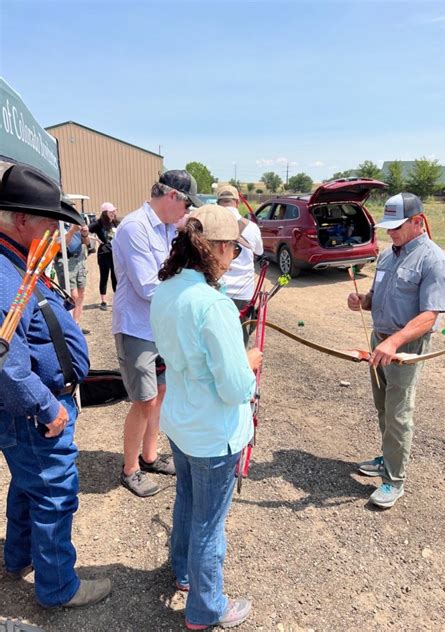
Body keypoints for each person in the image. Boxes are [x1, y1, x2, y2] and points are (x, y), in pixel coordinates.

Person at [0, 163, 111, 607]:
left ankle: (19, 557)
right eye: (51, 223)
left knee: (30, 485)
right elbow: (6, 362)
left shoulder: (15, 260)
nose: (58, 233)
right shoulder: (4, 274)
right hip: (34, 414)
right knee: (54, 496)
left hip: (31, 413)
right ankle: (58, 588)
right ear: (22, 220)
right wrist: (48, 408)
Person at [150, 204, 263, 630]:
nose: (234, 256)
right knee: (209, 524)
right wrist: (249, 363)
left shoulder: (166, 289)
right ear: (215, 248)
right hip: (213, 433)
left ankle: (183, 573)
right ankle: (206, 609)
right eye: (233, 248)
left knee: (187, 501)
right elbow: (234, 386)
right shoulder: (213, 305)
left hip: (181, 422)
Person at [347, 192, 445, 509]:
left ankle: (394, 480)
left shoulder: (434, 260)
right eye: (388, 227)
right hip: (379, 341)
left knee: (398, 412)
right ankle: (387, 458)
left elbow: (430, 315)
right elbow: (375, 296)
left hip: (404, 347)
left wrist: (394, 341)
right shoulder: (388, 255)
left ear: (418, 222)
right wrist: (362, 302)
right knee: (383, 405)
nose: (391, 232)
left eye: (397, 226)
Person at [112, 170, 202, 497]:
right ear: (172, 197)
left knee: (161, 394)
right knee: (144, 399)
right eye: (187, 204)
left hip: (158, 326)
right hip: (136, 327)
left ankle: (149, 456)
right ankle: (130, 468)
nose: (187, 212)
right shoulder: (134, 228)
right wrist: (191, 292)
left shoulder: (167, 227)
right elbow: (148, 285)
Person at [217, 185, 263, 345]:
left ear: (218, 203)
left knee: (217, 339)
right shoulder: (252, 227)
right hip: (243, 292)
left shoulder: (211, 224)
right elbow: (260, 250)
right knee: (240, 341)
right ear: (236, 202)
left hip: (216, 291)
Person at [54, 220, 91, 331]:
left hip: (79, 260)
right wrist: (72, 231)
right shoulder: (57, 225)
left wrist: (85, 234)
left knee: (81, 293)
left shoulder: (74, 224)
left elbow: (87, 243)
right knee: (72, 295)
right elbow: (60, 247)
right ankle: (68, 325)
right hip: (66, 261)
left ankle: (76, 324)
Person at [88, 202, 119, 311]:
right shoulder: (98, 223)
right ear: (105, 213)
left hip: (114, 253)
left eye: (114, 211)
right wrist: (96, 239)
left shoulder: (116, 222)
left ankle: (117, 300)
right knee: (104, 277)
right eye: (111, 212)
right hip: (103, 254)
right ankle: (103, 301)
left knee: (115, 277)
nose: (113, 213)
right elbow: (85, 231)